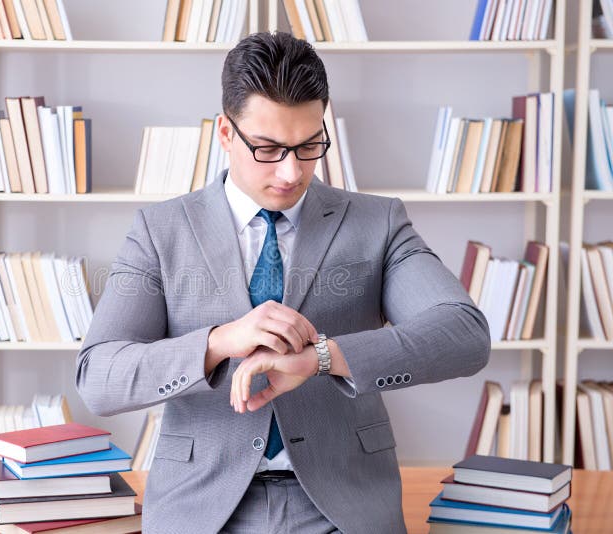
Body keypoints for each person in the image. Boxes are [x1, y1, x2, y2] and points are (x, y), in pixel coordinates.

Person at [75, 31, 490, 534]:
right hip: (201, 508)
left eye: (309, 145)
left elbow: (463, 334)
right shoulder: (161, 231)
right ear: (226, 133)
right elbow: (99, 377)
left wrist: (320, 359)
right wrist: (218, 342)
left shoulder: (375, 222)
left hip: (345, 504)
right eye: (269, 149)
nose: (292, 172)